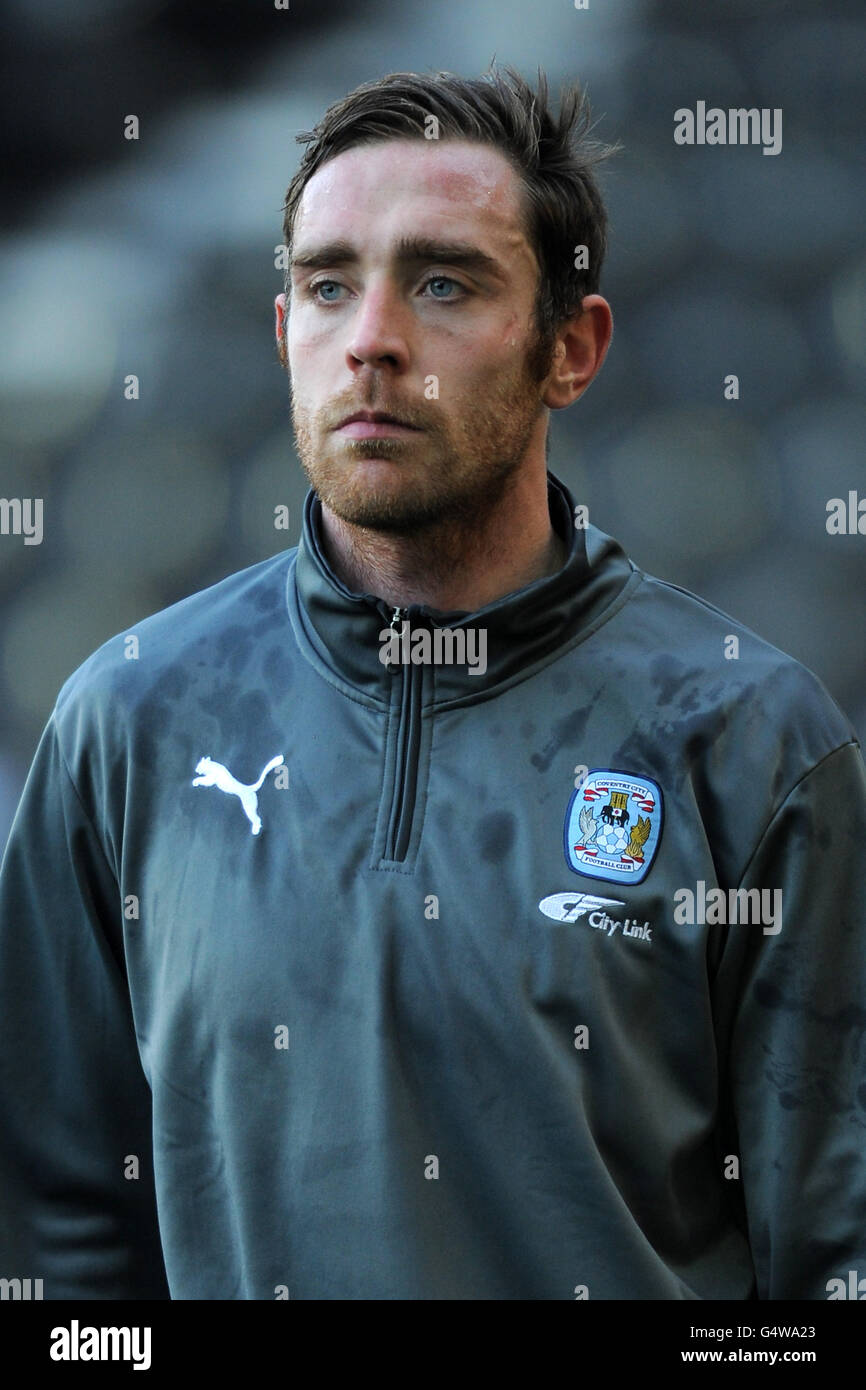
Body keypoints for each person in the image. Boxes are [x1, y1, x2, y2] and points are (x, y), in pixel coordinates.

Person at [1, 64, 864, 1302]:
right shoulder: (129, 722)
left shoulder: (748, 739)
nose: (372, 342)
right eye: (328, 284)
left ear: (571, 348)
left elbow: (831, 1258)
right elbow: (55, 1236)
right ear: (283, 329)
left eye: (443, 282)